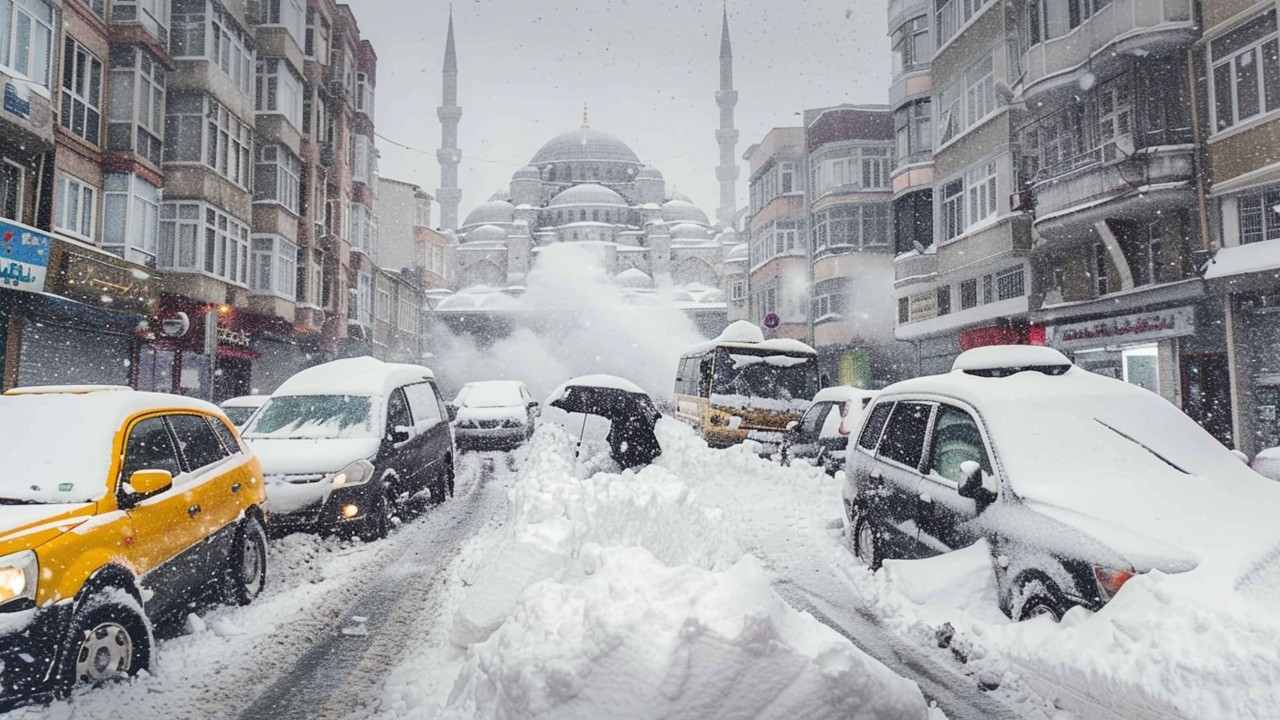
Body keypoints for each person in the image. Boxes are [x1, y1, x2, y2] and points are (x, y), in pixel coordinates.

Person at [606, 397, 662, 469]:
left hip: (630, 456)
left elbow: (613, 439)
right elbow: (655, 449)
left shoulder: (621, 420)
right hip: (639, 457)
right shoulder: (641, 420)